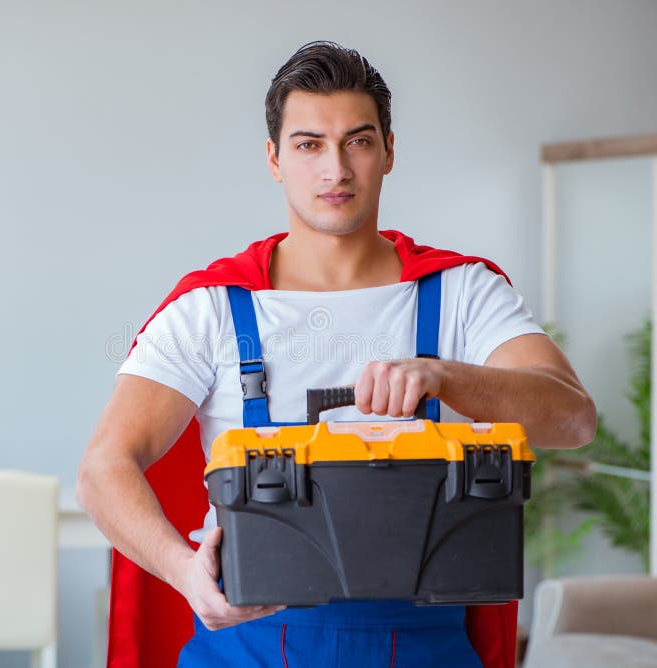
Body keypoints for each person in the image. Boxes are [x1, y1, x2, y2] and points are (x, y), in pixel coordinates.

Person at [78, 41, 596, 667]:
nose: (336, 170)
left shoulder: (463, 294)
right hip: (250, 643)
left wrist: (445, 375)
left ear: (389, 151)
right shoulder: (212, 308)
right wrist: (185, 573)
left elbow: (574, 419)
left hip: (424, 644)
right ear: (274, 158)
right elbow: (104, 468)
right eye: (309, 145)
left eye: (357, 141)